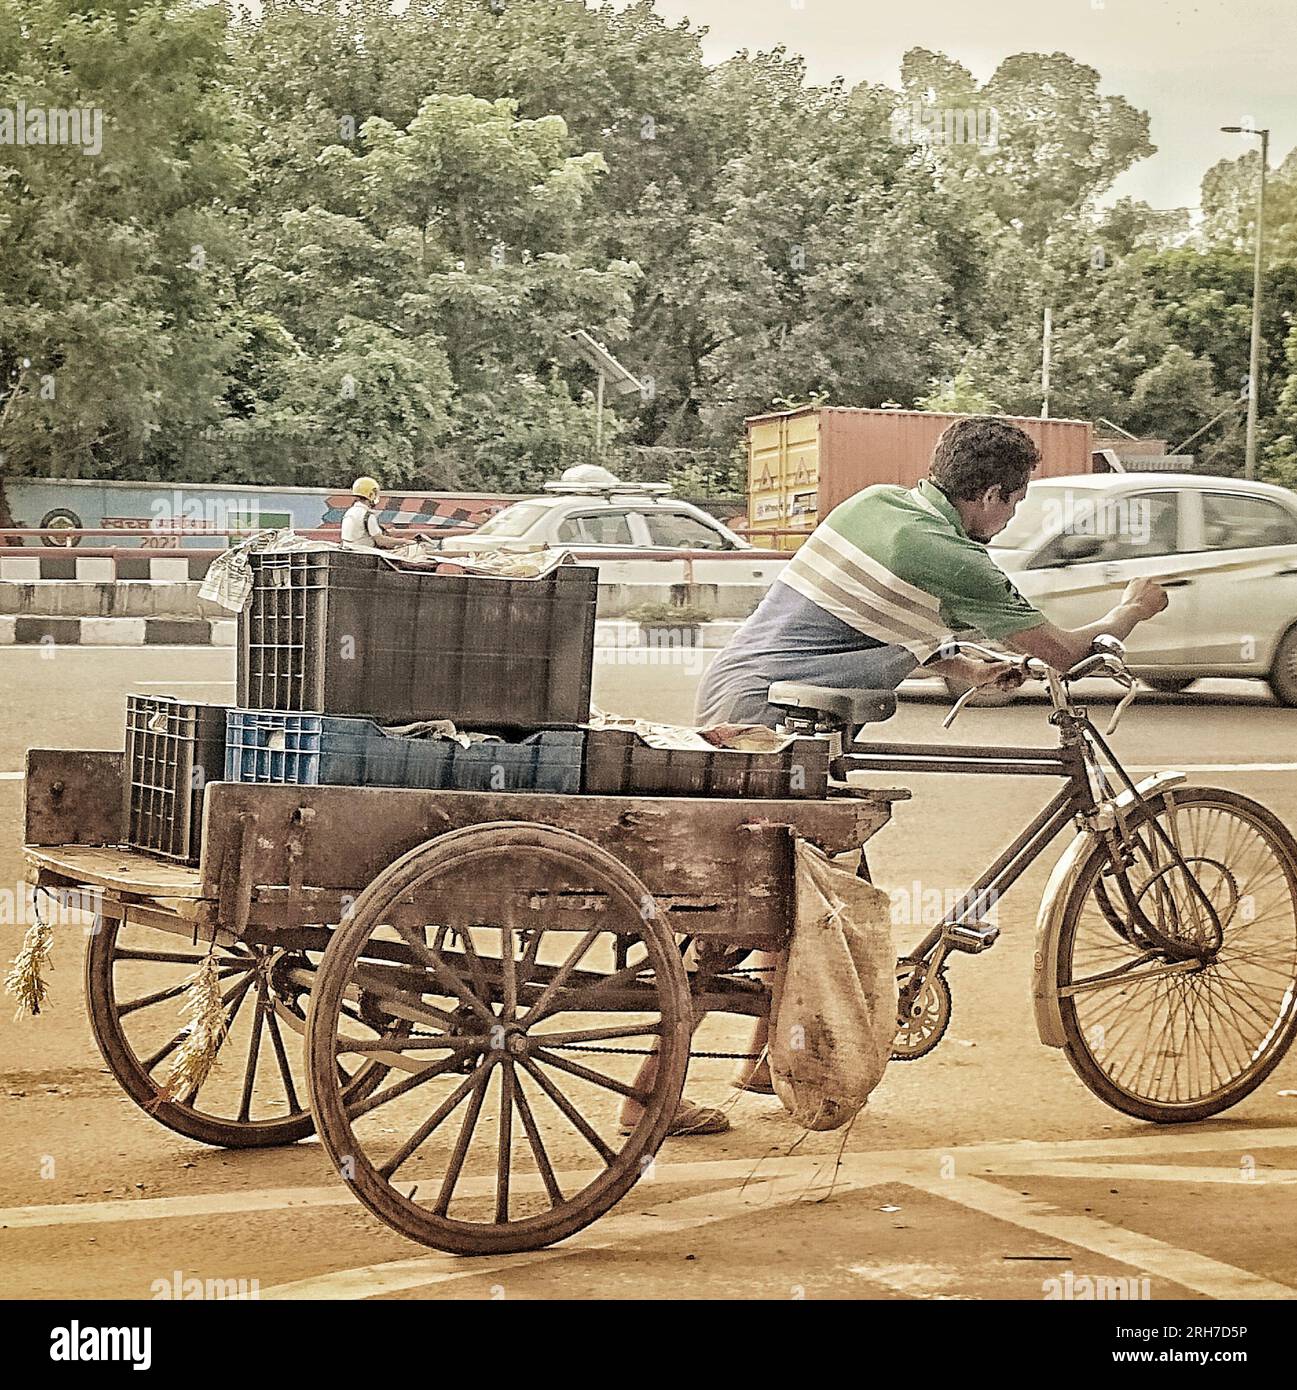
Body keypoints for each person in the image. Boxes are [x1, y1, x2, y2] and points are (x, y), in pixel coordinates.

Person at [621, 417, 1169, 1136]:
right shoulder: (952, 554)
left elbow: (865, 614)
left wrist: (963, 665)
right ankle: (644, 1097)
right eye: (1014, 503)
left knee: (814, 896)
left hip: (756, 697)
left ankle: (766, 1056)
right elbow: (1064, 653)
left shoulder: (878, 506)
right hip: (775, 722)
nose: (1009, 521)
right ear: (991, 494)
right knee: (746, 909)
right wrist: (1133, 608)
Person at [340, 476, 403, 551]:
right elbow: (381, 541)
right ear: (371, 494)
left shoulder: (350, 512)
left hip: (349, 550)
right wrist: (404, 541)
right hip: (364, 553)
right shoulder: (368, 515)